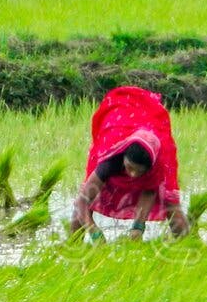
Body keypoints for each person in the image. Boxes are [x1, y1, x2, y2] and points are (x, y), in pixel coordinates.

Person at [70, 86, 189, 241]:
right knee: (86, 200)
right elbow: (82, 202)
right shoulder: (109, 161)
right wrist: (94, 231)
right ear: (124, 158)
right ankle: (72, 245)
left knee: (169, 201)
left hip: (152, 132)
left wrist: (138, 227)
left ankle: (188, 245)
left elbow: (149, 191)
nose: (132, 175)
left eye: (139, 171)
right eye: (130, 168)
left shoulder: (156, 164)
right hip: (116, 126)